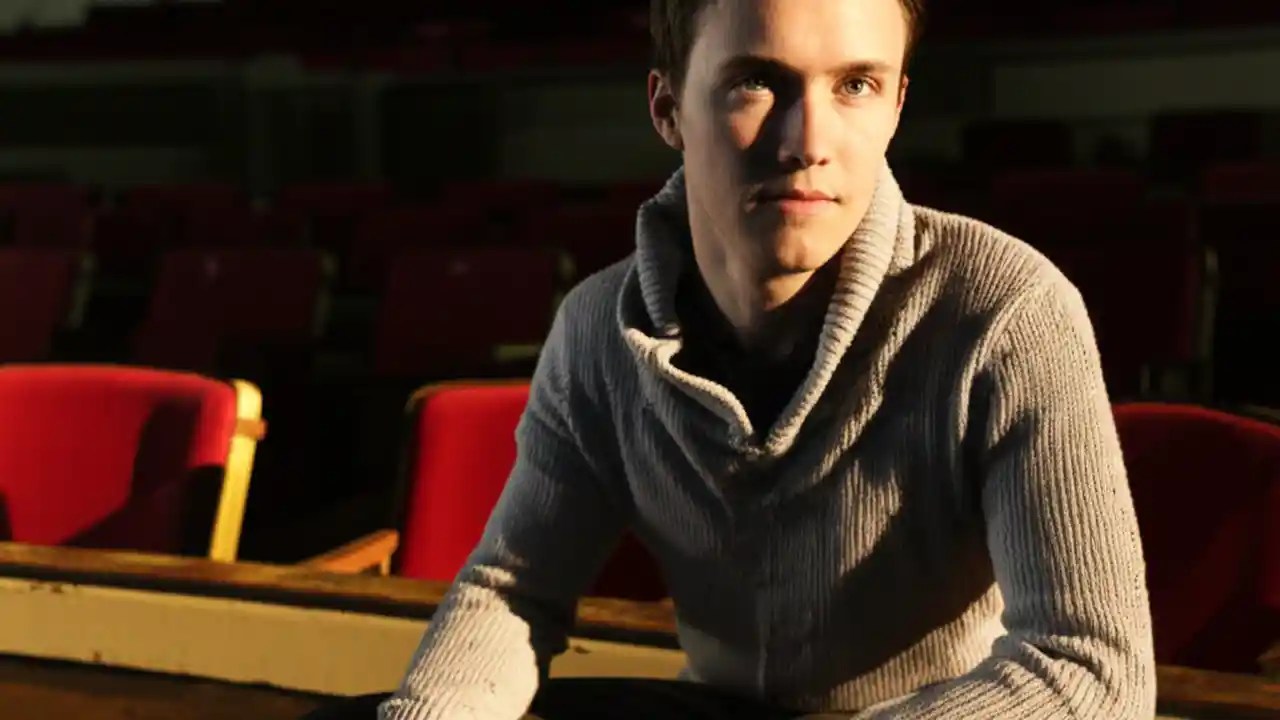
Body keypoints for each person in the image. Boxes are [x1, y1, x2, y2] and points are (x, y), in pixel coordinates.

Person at [319, 0, 1158, 717]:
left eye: (856, 85)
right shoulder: (594, 331)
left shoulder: (1008, 309)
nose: (806, 141)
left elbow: (1091, 668)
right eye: (758, 81)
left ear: (899, 103)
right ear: (667, 107)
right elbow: (513, 590)